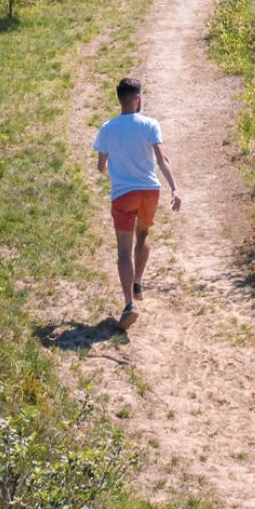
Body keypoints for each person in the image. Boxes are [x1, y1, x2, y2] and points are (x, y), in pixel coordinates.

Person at [92, 76, 180, 329]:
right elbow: (162, 159)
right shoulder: (150, 124)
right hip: (150, 191)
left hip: (123, 193)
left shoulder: (107, 128)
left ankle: (129, 304)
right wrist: (175, 188)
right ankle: (138, 280)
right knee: (143, 233)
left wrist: (113, 168)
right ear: (138, 99)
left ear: (120, 100)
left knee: (123, 248)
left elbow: (101, 167)